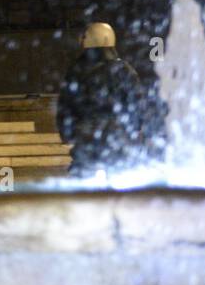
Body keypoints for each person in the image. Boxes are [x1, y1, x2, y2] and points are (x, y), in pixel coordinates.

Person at [56, 22, 149, 177]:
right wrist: (135, 129)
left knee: (81, 182)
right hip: (118, 137)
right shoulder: (125, 70)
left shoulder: (76, 71)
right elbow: (137, 104)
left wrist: (67, 132)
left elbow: (66, 105)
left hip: (86, 137)